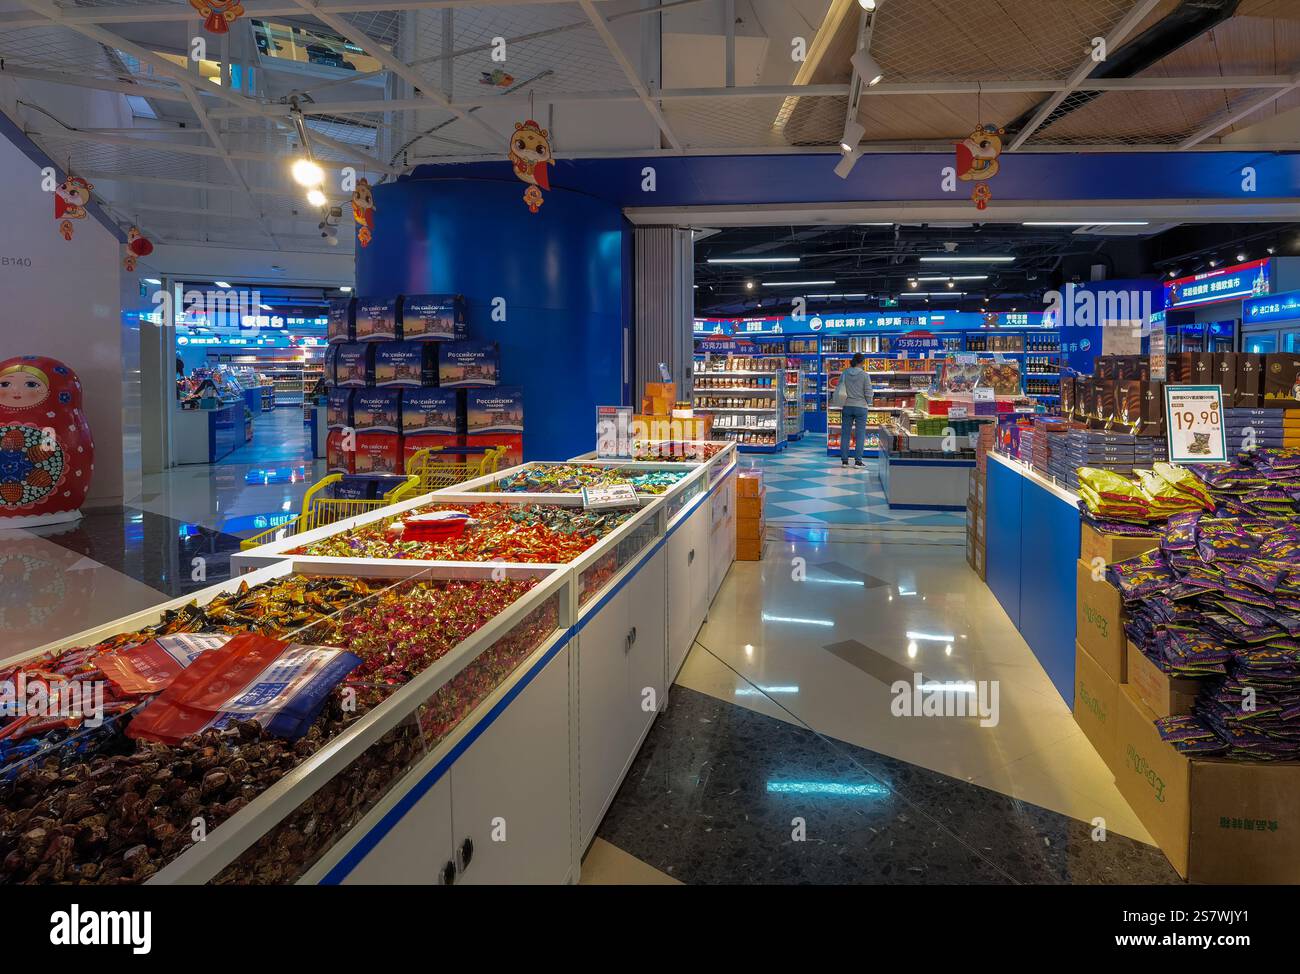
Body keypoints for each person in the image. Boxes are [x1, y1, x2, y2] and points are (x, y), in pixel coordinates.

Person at [838, 352, 873, 468]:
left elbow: (839, 387)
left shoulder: (845, 373)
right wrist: (869, 402)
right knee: (860, 434)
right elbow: (868, 392)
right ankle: (858, 461)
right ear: (862, 362)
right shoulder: (864, 375)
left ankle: (844, 461)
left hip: (847, 406)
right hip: (861, 407)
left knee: (845, 434)